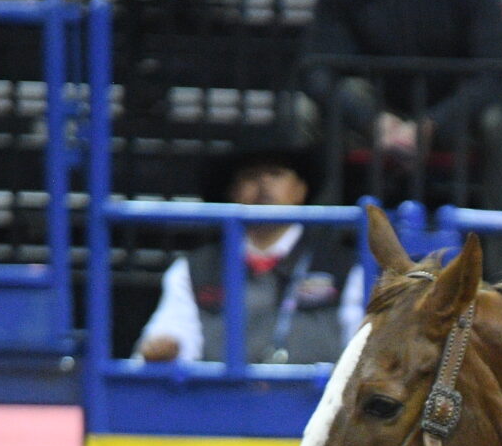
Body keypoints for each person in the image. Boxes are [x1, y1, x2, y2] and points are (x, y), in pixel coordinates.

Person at [303, 0, 502, 275]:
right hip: (377, 115)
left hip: (455, 115)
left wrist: (431, 124)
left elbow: (493, 74)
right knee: (306, 112)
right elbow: (318, 71)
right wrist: (373, 121)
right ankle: (311, 255)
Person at [134, 140, 364, 366]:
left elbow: (361, 349)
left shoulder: (344, 266)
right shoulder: (195, 268)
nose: (263, 183)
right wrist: (166, 348)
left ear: (301, 190)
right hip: (219, 401)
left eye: (275, 174)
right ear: (233, 192)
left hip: (313, 400)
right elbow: (171, 332)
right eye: (251, 176)